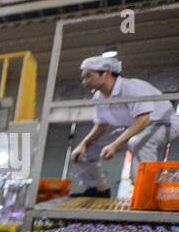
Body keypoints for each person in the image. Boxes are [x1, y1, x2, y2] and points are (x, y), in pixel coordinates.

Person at [70, 55, 177, 197]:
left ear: (107, 73)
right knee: (84, 153)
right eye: (83, 78)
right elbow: (101, 125)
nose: (85, 82)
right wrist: (83, 144)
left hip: (163, 123)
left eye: (89, 76)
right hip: (133, 128)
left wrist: (115, 145)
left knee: (138, 142)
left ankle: (144, 191)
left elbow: (143, 119)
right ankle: (98, 190)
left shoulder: (132, 87)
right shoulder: (99, 96)